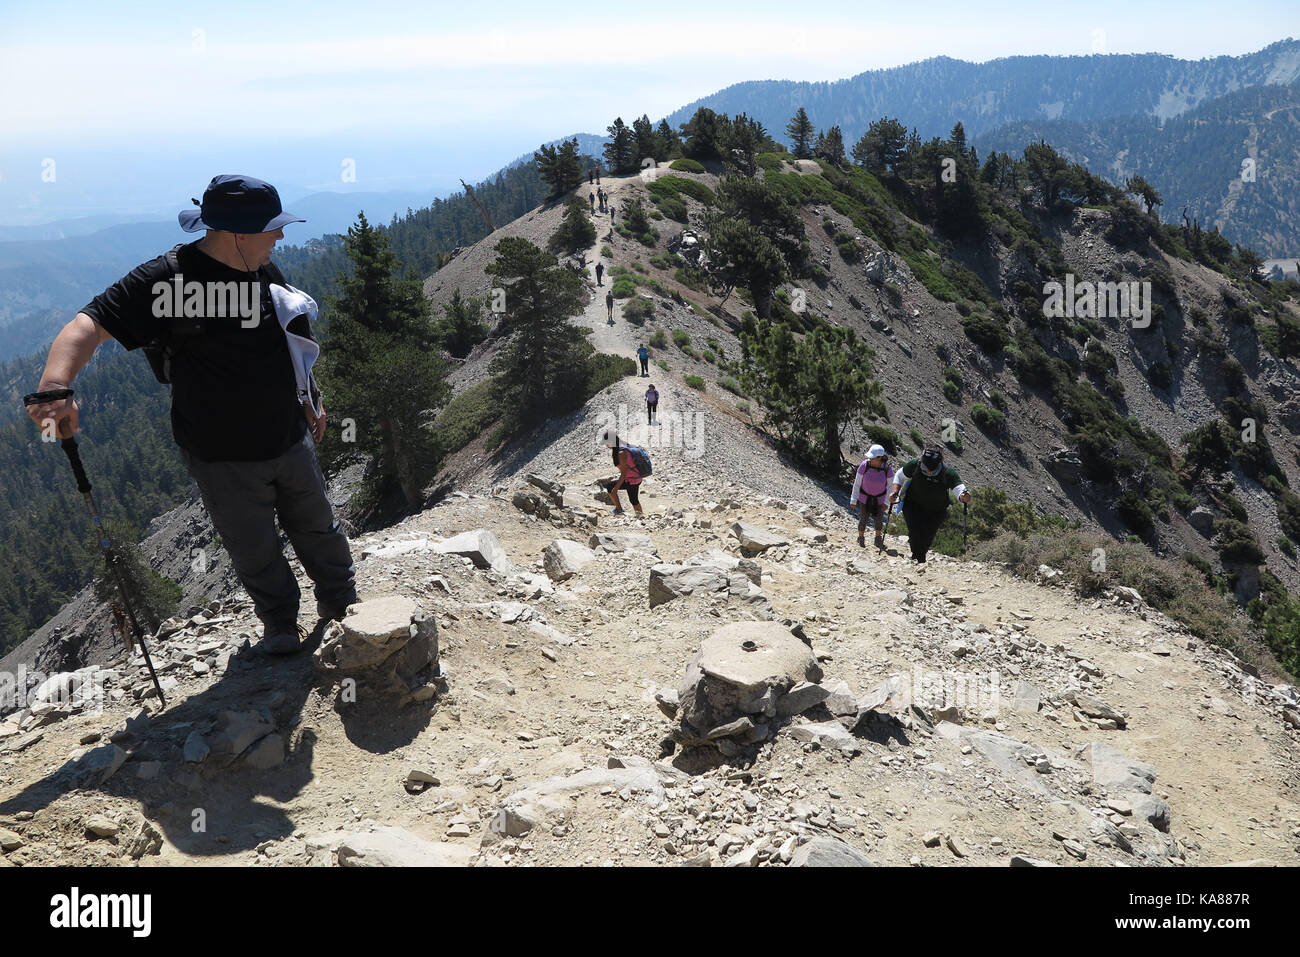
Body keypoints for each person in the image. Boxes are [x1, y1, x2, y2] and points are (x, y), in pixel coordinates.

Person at [25, 174, 358, 655]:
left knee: (319, 527)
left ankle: (343, 604)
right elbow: (88, 324)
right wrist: (54, 387)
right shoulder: (167, 281)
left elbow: (287, 338)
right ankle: (282, 624)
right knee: (254, 546)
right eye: (272, 227)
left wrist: (311, 397)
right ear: (237, 233)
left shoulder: (259, 266)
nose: (281, 236)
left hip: (288, 433)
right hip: (219, 451)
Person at [888, 444, 969, 563]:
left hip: (937, 510)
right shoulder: (915, 465)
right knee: (914, 531)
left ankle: (920, 557)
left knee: (928, 535)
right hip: (912, 505)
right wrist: (895, 492)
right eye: (925, 468)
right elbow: (899, 476)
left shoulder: (947, 472)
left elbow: (958, 487)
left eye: (932, 469)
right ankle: (918, 558)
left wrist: (963, 495)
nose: (929, 471)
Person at [851, 444, 894, 550]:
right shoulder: (864, 465)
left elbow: (890, 487)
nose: (869, 459)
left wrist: (886, 502)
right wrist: (853, 499)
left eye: (872, 457)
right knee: (863, 519)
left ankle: (878, 539)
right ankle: (861, 538)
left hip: (879, 500)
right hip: (864, 498)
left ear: (879, 458)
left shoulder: (887, 469)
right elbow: (857, 483)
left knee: (878, 520)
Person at [601, 430, 644, 516]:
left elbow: (624, 474)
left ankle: (640, 517)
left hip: (632, 479)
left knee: (633, 500)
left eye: (606, 442)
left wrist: (615, 489)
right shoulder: (622, 446)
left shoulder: (621, 453)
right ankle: (620, 509)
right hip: (634, 477)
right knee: (610, 487)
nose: (606, 445)